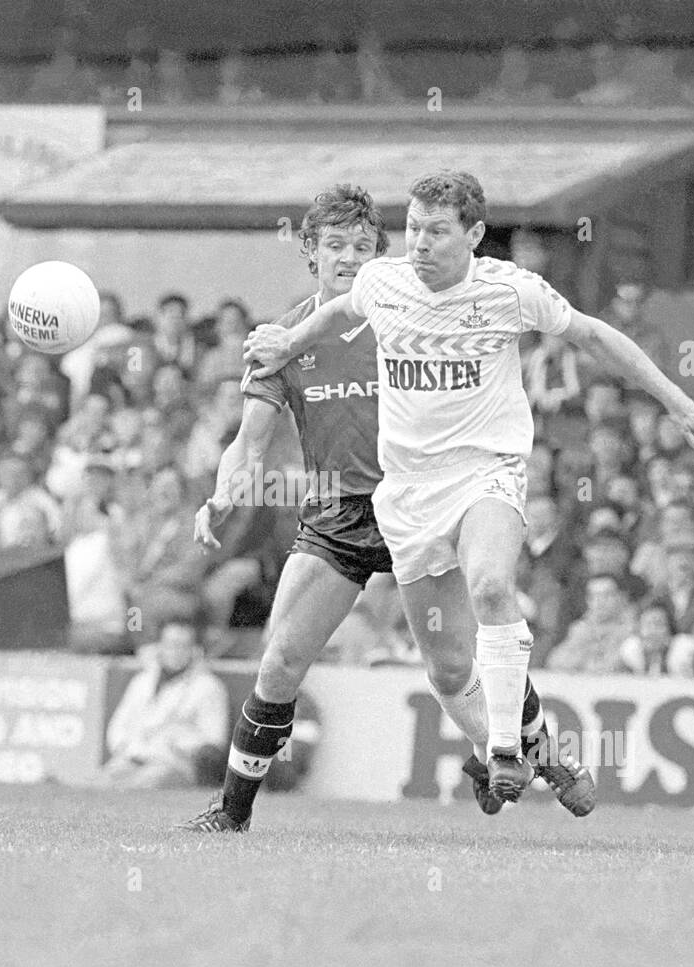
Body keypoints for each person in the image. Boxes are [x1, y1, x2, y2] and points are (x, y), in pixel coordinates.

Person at [247, 170, 694, 803]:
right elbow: (335, 312)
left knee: (493, 585)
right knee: (445, 666)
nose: (419, 243)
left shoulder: (510, 291)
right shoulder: (383, 283)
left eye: (437, 231)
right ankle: (542, 753)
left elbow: (594, 335)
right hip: (408, 495)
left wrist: (677, 401)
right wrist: (287, 339)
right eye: (413, 228)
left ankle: (504, 754)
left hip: (485, 474)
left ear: (473, 235)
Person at [180, 183, 593, 833]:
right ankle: (231, 813)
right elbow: (247, 443)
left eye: (364, 247)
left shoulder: (407, 314)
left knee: (456, 660)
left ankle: (544, 759)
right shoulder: (284, 340)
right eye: (335, 247)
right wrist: (222, 495)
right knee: (281, 658)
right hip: (339, 517)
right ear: (310, 254)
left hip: (421, 502)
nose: (349, 259)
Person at [98, 615, 229, 789]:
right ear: (160, 646)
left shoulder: (209, 686)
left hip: (176, 765)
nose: (176, 652)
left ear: (194, 650)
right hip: (133, 757)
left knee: (146, 782)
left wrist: (176, 743)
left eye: (183, 646)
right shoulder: (142, 681)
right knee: (103, 781)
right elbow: (118, 727)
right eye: (171, 645)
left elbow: (215, 740)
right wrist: (129, 749)